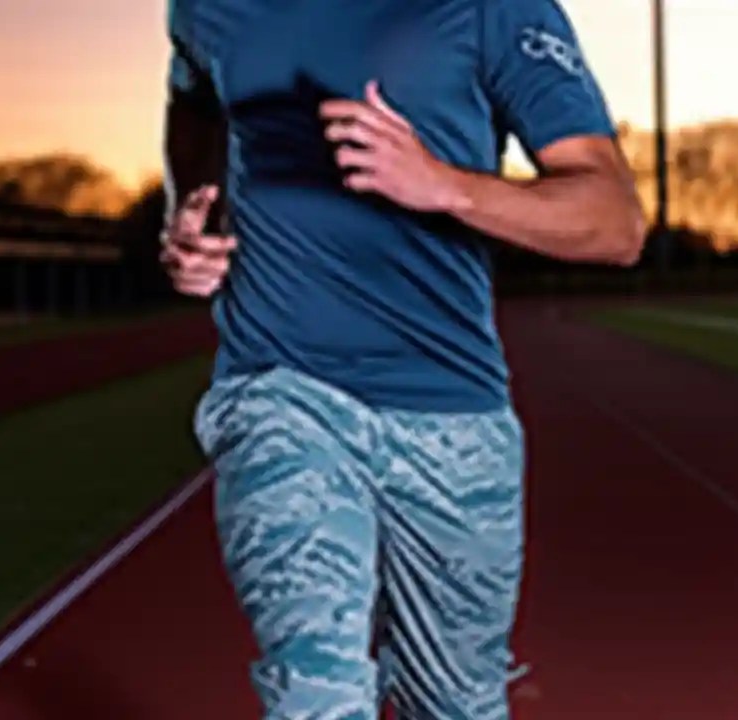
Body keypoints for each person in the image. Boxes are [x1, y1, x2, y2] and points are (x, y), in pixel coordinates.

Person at [160, 0, 644, 717]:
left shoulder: (496, 9)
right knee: (316, 693)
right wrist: (193, 212)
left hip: (452, 413)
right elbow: (195, 101)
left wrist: (445, 185)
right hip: (279, 388)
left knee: (455, 703)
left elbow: (615, 221)